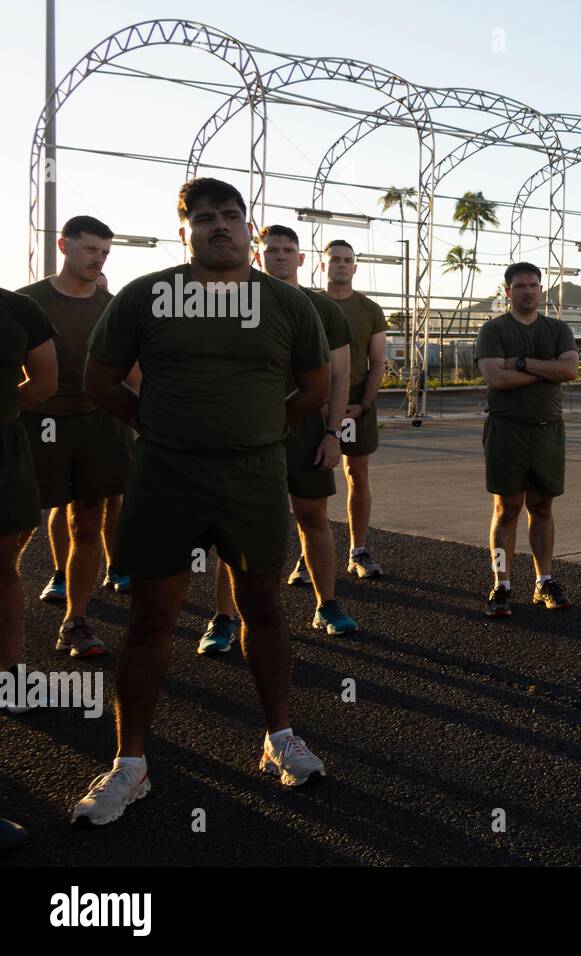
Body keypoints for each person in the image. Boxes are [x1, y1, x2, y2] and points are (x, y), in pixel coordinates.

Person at [70, 177, 331, 826]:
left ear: (250, 227)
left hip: (253, 480)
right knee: (152, 616)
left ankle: (279, 739)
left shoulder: (288, 305)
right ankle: (130, 765)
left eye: (231, 216)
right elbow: (98, 381)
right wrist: (156, 427)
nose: (220, 226)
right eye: (205, 217)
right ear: (183, 229)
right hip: (165, 478)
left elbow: (313, 386)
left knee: (263, 605)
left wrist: (263, 432)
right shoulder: (148, 296)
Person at [199, 224, 357, 654]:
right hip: (248, 433)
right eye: (273, 249)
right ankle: (224, 618)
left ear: (302, 259)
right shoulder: (233, 302)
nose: (281, 256)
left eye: (289, 250)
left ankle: (327, 605)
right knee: (236, 529)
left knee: (314, 519)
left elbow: (340, 376)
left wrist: (332, 434)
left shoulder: (324, 310)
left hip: (306, 431)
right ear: (258, 255)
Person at [17, 216, 134, 657]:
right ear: (64, 246)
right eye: (90, 250)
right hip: (37, 423)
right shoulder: (27, 303)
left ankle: (75, 621)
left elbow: (134, 372)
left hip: (98, 424)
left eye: (104, 252)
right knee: (16, 528)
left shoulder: (114, 307)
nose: (98, 259)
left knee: (88, 522)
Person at [474, 261, 578, 617]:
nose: (529, 291)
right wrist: (545, 370)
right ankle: (501, 584)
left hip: (548, 430)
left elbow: (569, 370)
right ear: (508, 292)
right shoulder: (493, 330)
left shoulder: (558, 329)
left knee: (543, 508)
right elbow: (496, 379)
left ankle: (544, 580)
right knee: (506, 510)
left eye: (534, 285)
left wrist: (519, 363)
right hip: (507, 429)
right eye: (520, 286)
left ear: (541, 290)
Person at [0, 286, 57, 851]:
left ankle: (10, 674)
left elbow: (42, 379)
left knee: (4, 574)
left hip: (4, 455)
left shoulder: (17, 309)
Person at [323, 240, 386, 579]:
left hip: (356, 402)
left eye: (347, 260)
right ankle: (310, 554)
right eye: (334, 259)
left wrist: (362, 405)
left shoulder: (370, 309)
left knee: (356, 475)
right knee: (314, 478)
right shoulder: (309, 303)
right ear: (323, 265)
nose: (341, 265)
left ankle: (357, 551)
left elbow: (377, 362)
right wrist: (317, 401)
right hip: (317, 400)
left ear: (355, 267)